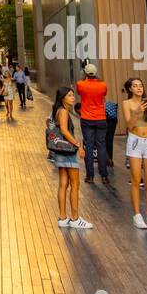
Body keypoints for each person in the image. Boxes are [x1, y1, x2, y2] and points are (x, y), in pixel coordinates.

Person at [49, 86, 93, 230]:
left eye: (73, 95)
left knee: (63, 183)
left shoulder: (58, 111)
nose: (73, 97)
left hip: (60, 150)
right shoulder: (63, 112)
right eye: (69, 95)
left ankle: (63, 217)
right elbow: (63, 130)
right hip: (68, 150)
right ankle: (75, 218)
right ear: (63, 98)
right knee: (75, 184)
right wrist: (78, 145)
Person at [122, 78, 147, 229]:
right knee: (136, 179)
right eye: (135, 86)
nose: (139, 88)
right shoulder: (127, 104)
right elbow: (129, 125)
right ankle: (137, 215)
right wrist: (138, 112)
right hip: (135, 141)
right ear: (130, 89)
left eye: (140, 85)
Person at [76, 62, 109, 186]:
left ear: (85, 73)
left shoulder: (81, 84)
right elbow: (104, 93)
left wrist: (83, 76)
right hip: (101, 118)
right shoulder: (103, 85)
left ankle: (90, 176)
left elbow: (79, 91)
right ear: (96, 73)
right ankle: (104, 176)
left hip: (87, 118)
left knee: (88, 146)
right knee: (101, 146)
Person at [105, 96, 119, 171]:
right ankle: (110, 158)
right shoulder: (110, 106)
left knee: (102, 140)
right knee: (109, 140)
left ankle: (106, 159)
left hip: (104, 120)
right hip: (113, 120)